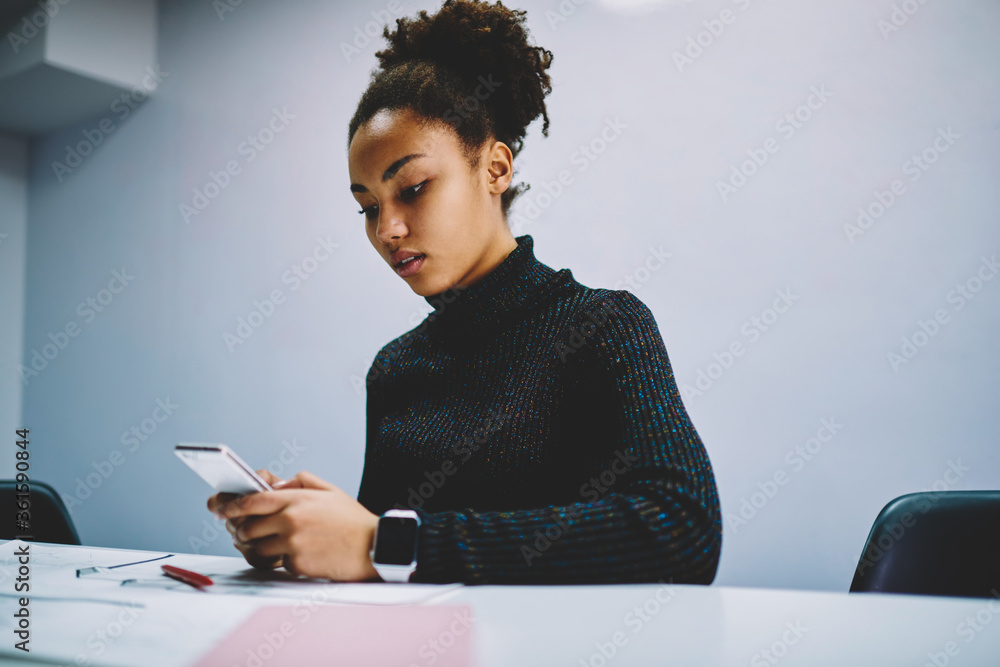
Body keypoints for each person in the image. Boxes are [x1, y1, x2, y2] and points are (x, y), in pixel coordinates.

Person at [208, 0, 722, 585]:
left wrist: (382, 542)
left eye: (414, 187)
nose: (387, 230)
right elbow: (388, 564)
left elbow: (685, 531)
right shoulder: (396, 367)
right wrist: (308, 535)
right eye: (368, 207)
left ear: (496, 168)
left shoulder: (601, 325)